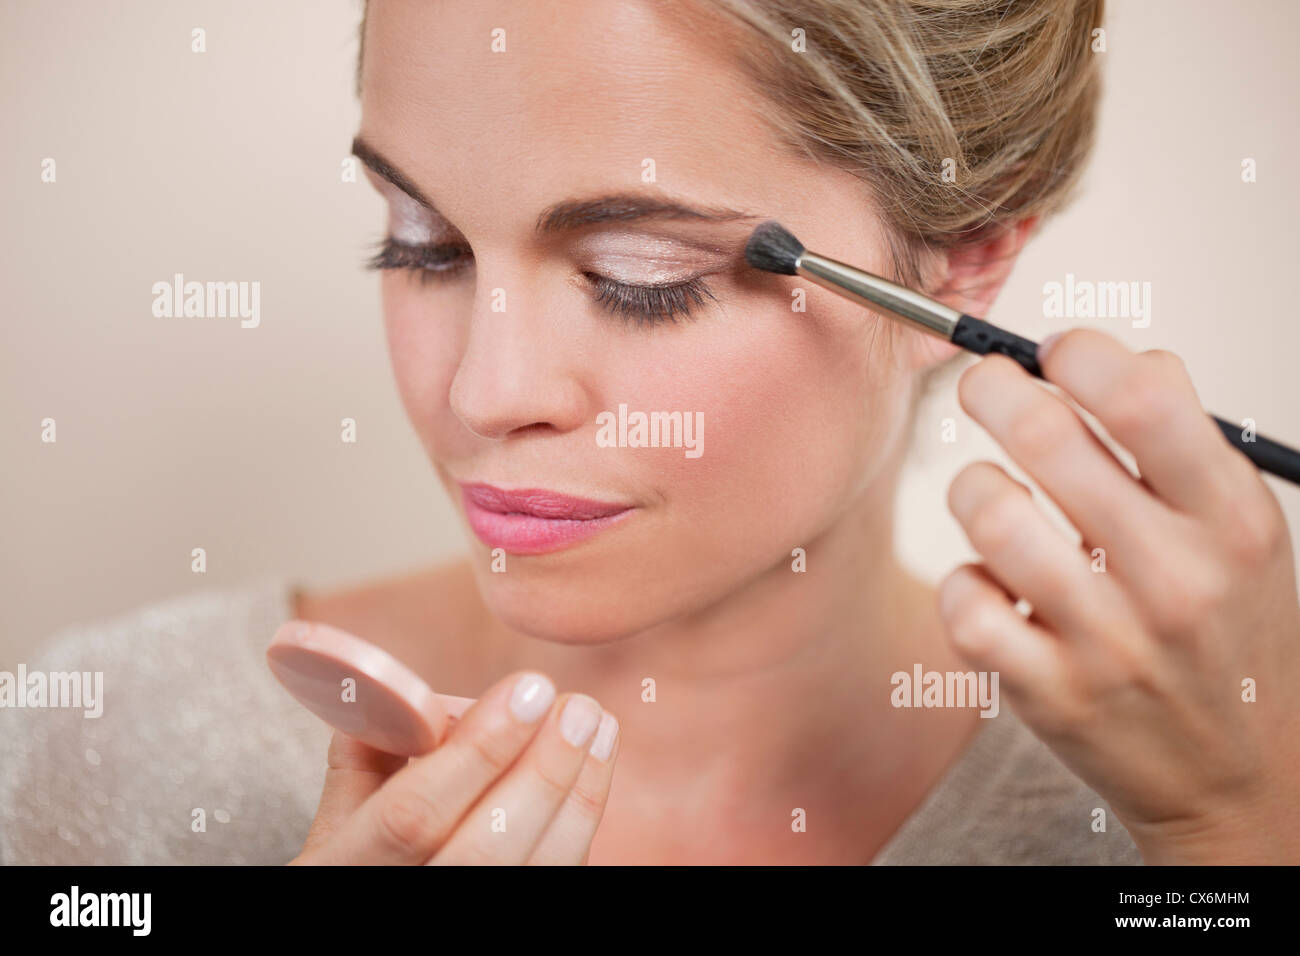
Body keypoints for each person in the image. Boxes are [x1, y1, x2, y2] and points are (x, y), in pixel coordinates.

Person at [4, 0, 1297, 866]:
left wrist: (1236, 828)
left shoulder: (1169, 811)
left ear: (967, 258)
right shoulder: (94, 745)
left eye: (637, 275)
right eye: (424, 245)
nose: (481, 390)